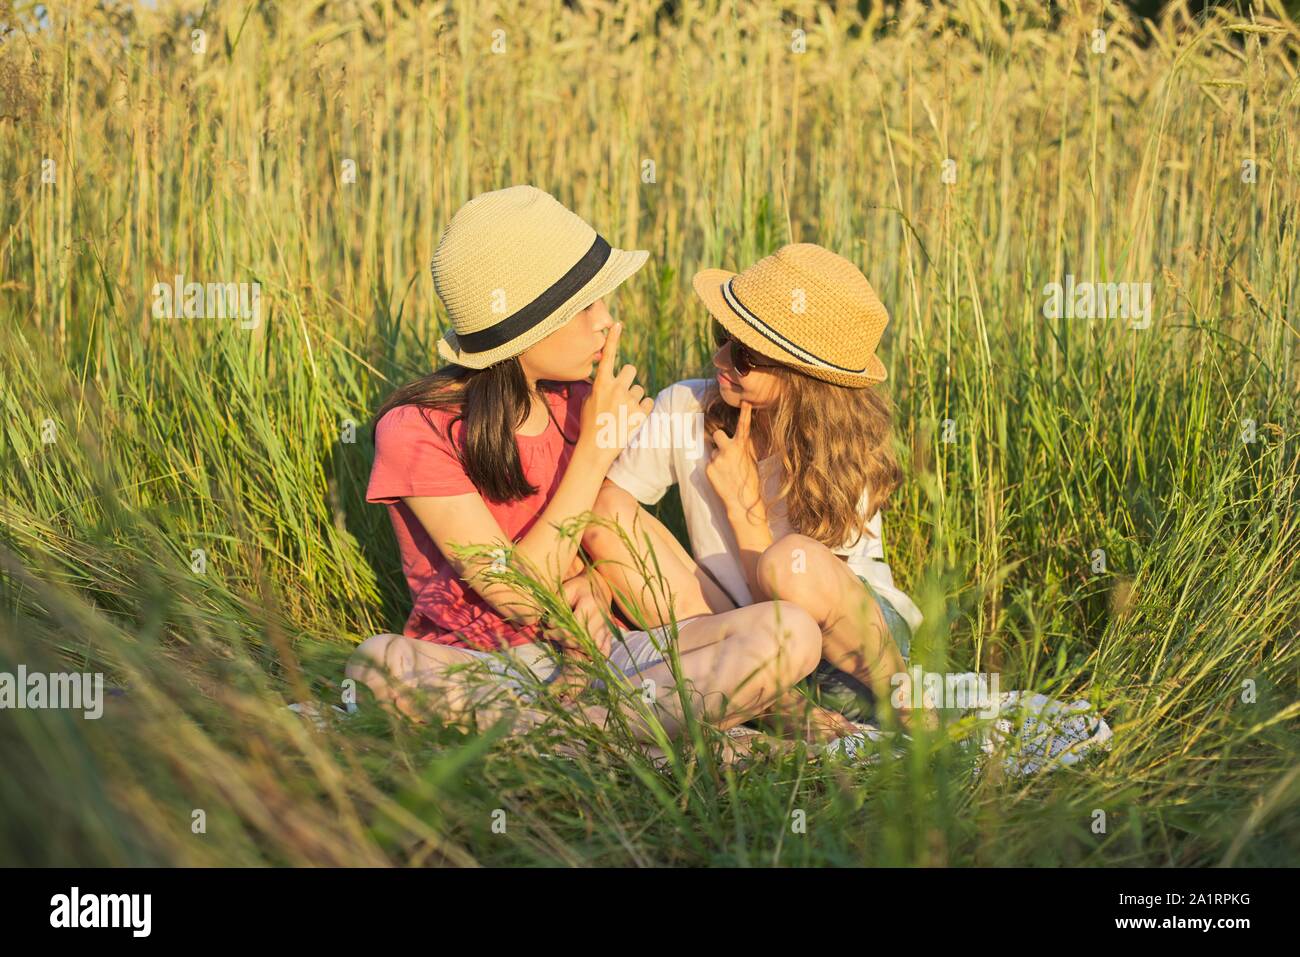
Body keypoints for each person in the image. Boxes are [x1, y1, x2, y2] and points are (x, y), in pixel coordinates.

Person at [345, 186, 822, 746]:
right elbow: (518, 595)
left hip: (604, 659)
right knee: (375, 666)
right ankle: (627, 730)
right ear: (529, 330)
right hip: (483, 666)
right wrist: (594, 450)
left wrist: (593, 586)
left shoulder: (578, 400)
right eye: (586, 307)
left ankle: (574, 733)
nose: (606, 323)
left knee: (792, 633)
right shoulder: (417, 430)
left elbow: (607, 537)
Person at [582, 243, 925, 742]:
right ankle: (776, 703)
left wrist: (744, 506)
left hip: (853, 659)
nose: (720, 358)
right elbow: (606, 519)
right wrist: (589, 581)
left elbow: (799, 603)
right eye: (724, 337)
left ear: (802, 381)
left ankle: (908, 703)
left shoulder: (843, 448)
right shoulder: (686, 407)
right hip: (744, 640)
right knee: (607, 512)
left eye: (743, 355)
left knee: (789, 563)